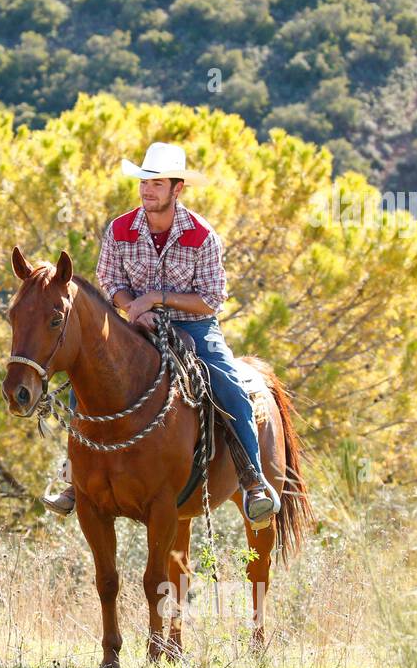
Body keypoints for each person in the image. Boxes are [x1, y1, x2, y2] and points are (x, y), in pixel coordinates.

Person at [41, 142, 280, 527]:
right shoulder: (120, 229)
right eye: (143, 182)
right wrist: (133, 306)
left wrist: (155, 299)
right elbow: (111, 279)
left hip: (193, 327)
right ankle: (73, 478)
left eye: (156, 183)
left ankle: (253, 480)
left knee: (229, 384)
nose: (146, 190)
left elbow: (212, 298)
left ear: (177, 189)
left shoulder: (201, 235)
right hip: (135, 324)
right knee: (84, 379)